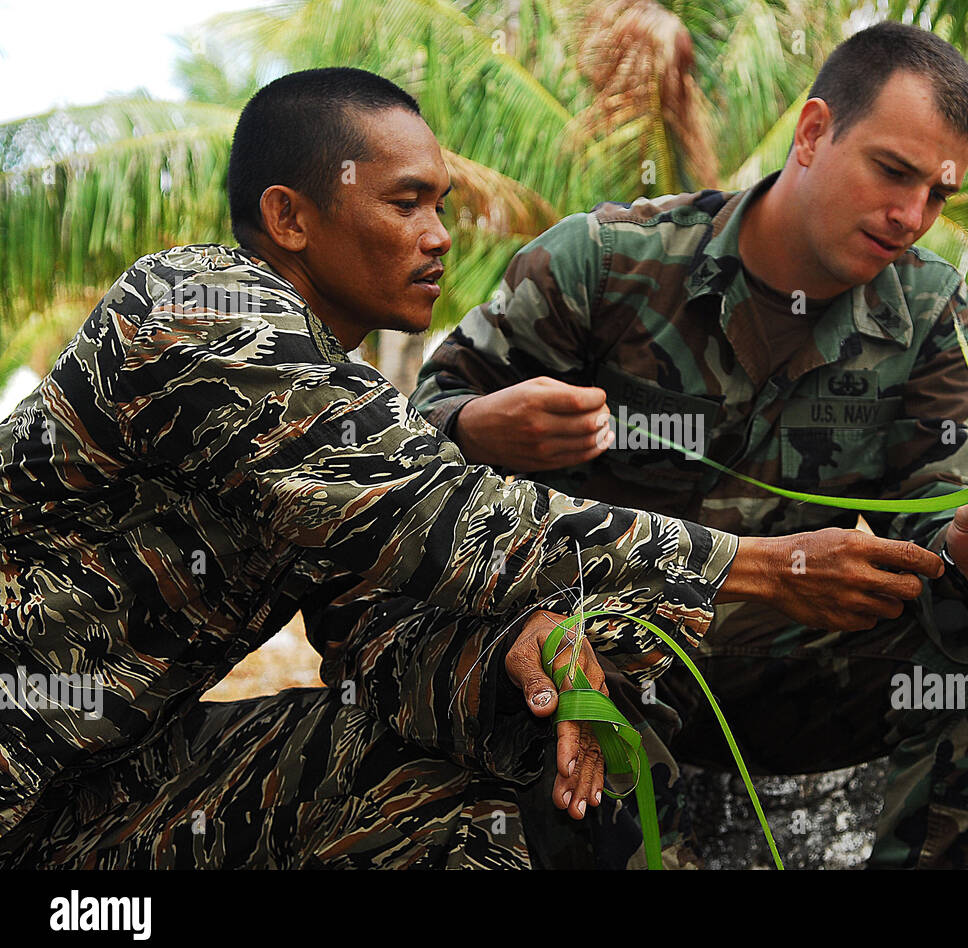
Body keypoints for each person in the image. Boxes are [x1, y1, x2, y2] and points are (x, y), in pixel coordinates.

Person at [0, 67, 901, 868]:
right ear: (288, 217)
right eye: (405, 204)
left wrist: (521, 650)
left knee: (460, 765)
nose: (438, 236)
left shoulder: (352, 404)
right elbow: (431, 512)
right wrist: (756, 565)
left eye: (441, 204)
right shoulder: (196, 309)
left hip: (97, 800)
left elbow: (376, 633)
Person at [410, 23, 968, 868]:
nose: (912, 217)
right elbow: (406, 443)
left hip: (796, 670)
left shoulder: (927, 313)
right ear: (812, 134)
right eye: (892, 171)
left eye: (939, 195)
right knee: (559, 687)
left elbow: (945, 520)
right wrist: (478, 425)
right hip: (614, 649)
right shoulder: (606, 263)